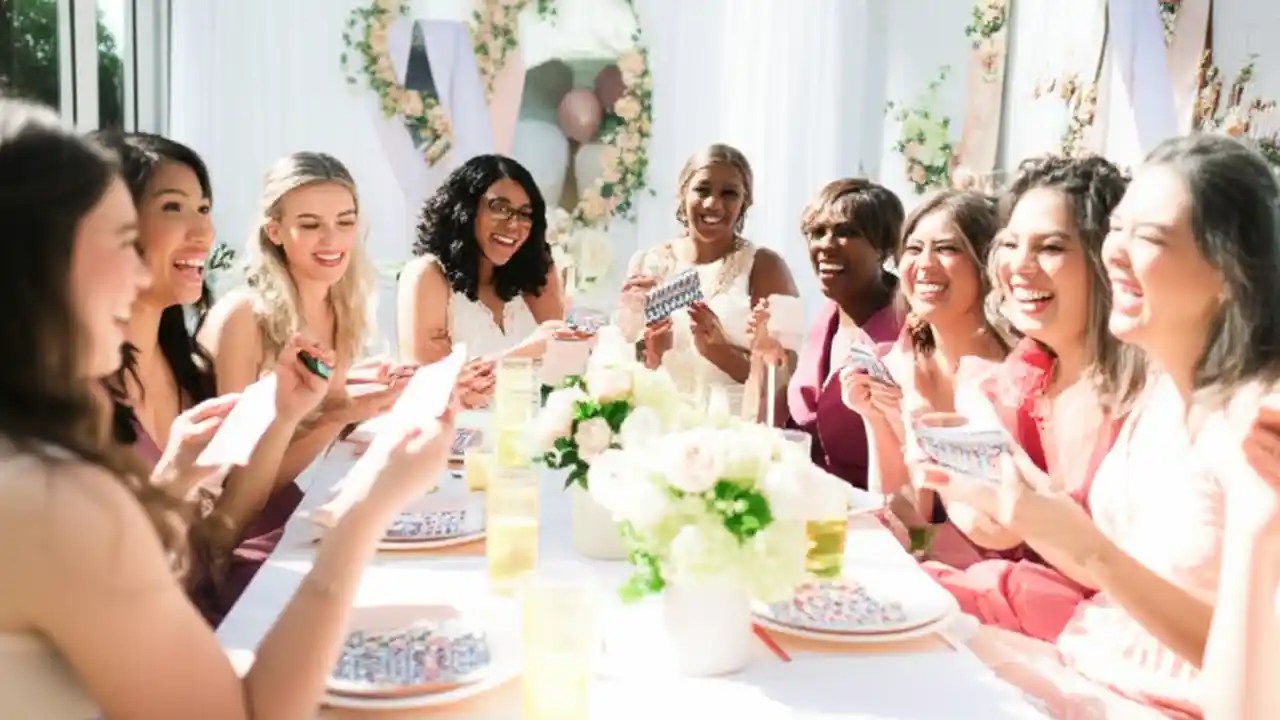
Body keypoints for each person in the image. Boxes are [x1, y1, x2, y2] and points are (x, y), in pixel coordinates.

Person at [0, 98, 456, 718]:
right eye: (123, 241)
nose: (140, 280)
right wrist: (366, 512)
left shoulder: (46, 450)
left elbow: (191, 550)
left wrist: (177, 478)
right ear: (40, 262)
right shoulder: (51, 498)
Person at [933, 136, 1278, 717]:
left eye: (1148, 237)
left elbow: (1258, 672)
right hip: (1086, 668)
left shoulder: (1258, 425)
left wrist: (1090, 553)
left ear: (1229, 272)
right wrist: (994, 486)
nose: (1112, 253)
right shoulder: (1161, 391)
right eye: (1117, 228)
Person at [624, 143, 797, 403]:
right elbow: (627, 369)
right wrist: (650, 352)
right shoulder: (647, 263)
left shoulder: (766, 267)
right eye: (702, 190)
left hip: (735, 432)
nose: (713, 203)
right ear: (682, 194)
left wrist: (722, 353)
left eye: (729, 193)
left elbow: (786, 382)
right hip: (660, 426)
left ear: (745, 202)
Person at [397, 154, 569, 405]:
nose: (514, 225)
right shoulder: (427, 276)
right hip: (457, 438)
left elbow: (562, 362)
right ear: (466, 209)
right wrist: (522, 355)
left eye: (524, 214)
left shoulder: (536, 272)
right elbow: (431, 391)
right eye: (500, 208)